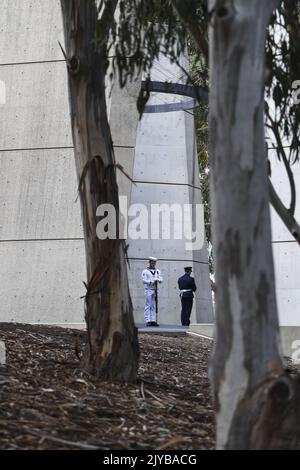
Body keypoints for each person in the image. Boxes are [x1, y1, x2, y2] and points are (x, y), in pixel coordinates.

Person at [141, 257, 163, 327]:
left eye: (154, 263)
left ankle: (153, 320)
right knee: (148, 305)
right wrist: (150, 282)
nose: (153, 264)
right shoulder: (145, 271)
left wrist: (158, 280)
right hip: (148, 290)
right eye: (152, 262)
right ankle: (148, 320)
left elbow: (161, 279)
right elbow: (143, 280)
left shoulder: (157, 271)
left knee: (154, 305)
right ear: (149, 262)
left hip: (155, 290)